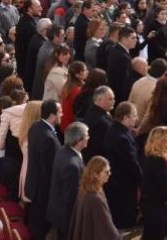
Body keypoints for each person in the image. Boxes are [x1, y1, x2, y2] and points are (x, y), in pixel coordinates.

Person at [24, 100, 62, 239]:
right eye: (60, 112)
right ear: (52, 115)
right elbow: (48, 172)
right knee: (39, 230)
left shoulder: (35, 126)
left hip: (33, 187)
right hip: (42, 194)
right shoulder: (49, 139)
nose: (62, 115)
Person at [103, 101, 143, 230]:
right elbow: (132, 164)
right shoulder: (122, 137)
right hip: (122, 188)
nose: (137, 118)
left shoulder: (116, 130)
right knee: (123, 222)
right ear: (125, 118)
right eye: (134, 115)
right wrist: (143, 180)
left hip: (118, 184)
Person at [47, 121, 89, 240]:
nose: (89, 138)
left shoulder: (64, 150)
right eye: (86, 135)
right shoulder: (72, 165)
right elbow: (71, 197)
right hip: (66, 218)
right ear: (78, 140)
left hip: (58, 210)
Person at [69, 156, 121, 240]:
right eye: (106, 172)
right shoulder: (96, 199)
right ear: (96, 174)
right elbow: (108, 229)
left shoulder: (83, 190)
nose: (110, 174)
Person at [140, 126, 167, 240]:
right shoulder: (158, 161)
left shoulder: (159, 157)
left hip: (153, 206)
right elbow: (162, 184)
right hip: (157, 208)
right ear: (160, 142)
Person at [82, 85, 115, 162]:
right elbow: (101, 148)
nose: (113, 101)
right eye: (110, 99)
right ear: (99, 100)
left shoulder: (93, 110)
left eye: (113, 99)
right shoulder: (101, 123)